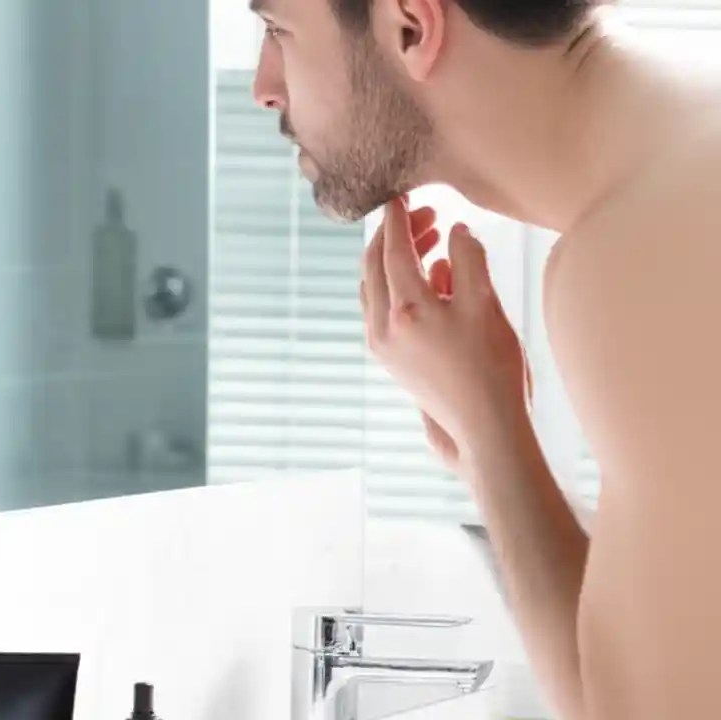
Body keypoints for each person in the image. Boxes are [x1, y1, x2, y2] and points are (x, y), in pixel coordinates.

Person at [250, 0, 721, 717]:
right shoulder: (684, 161)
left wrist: (491, 430)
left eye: (279, 28)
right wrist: (487, 433)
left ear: (411, 24)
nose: (264, 85)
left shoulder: (639, 255)